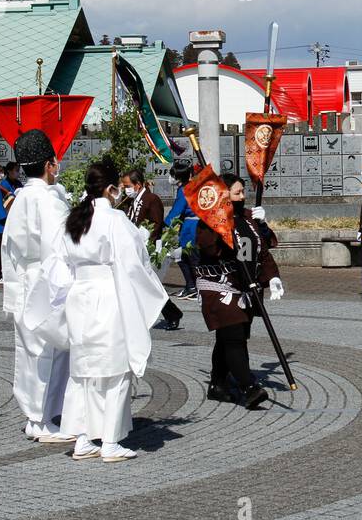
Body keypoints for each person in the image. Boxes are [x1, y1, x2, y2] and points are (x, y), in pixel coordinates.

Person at [59, 160, 168, 462]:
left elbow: (61, 261)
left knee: (84, 370)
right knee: (117, 368)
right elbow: (133, 263)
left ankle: (82, 437)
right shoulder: (115, 220)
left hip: (79, 295)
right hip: (108, 294)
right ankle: (109, 441)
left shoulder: (74, 220)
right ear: (110, 189)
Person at [0, 129, 76, 444]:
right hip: (46, 278)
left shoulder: (21, 197)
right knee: (49, 350)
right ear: (50, 164)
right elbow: (58, 245)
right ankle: (43, 418)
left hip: (25, 276)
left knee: (30, 350)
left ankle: (37, 416)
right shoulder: (47, 199)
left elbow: (9, 246)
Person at [196, 174, 284, 409]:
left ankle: (217, 383)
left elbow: (262, 249)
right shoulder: (210, 219)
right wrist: (218, 222)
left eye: (243, 192)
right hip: (220, 284)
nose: (243, 197)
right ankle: (249, 387)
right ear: (225, 196)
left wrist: (272, 275)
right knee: (234, 336)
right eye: (237, 193)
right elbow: (208, 247)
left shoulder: (246, 217)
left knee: (230, 337)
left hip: (245, 284)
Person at [120, 168, 182, 330]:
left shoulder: (151, 199)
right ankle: (169, 313)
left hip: (148, 248)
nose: (125, 189)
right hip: (133, 248)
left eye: (127, 185)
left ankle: (172, 313)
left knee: (150, 285)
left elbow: (156, 223)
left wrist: (148, 244)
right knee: (147, 285)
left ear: (138, 185)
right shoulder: (131, 200)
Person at [163, 159, 199, 299]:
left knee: (187, 256)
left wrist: (165, 225)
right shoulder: (190, 187)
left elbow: (177, 211)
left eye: (173, 175)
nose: (170, 177)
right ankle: (191, 286)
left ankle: (194, 287)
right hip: (190, 225)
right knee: (184, 255)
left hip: (190, 228)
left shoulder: (184, 190)